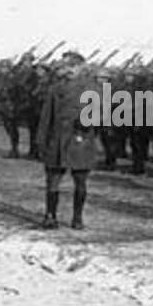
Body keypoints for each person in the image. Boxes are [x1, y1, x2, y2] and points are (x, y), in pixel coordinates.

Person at [36, 51, 101, 230]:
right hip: (56, 139)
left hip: (80, 138)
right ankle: (50, 216)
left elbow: (100, 115)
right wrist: (41, 140)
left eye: (73, 66)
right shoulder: (55, 88)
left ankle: (77, 217)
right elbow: (46, 116)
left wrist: (88, 120)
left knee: (80, 180)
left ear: (82, 67)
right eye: (66, 66)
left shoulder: (92, 88)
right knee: (52, 179)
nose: (69, 70)